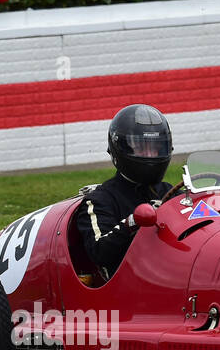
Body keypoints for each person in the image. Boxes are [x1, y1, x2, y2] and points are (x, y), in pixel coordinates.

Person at [74, 103, 174, 281]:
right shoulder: (100, 200)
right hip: (131, 286)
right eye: (142, 148)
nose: (150, 154)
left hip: (178, 272)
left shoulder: (171, 192)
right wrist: (133, 222)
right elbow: (99, 251)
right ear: (121, 149)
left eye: (156, 147)